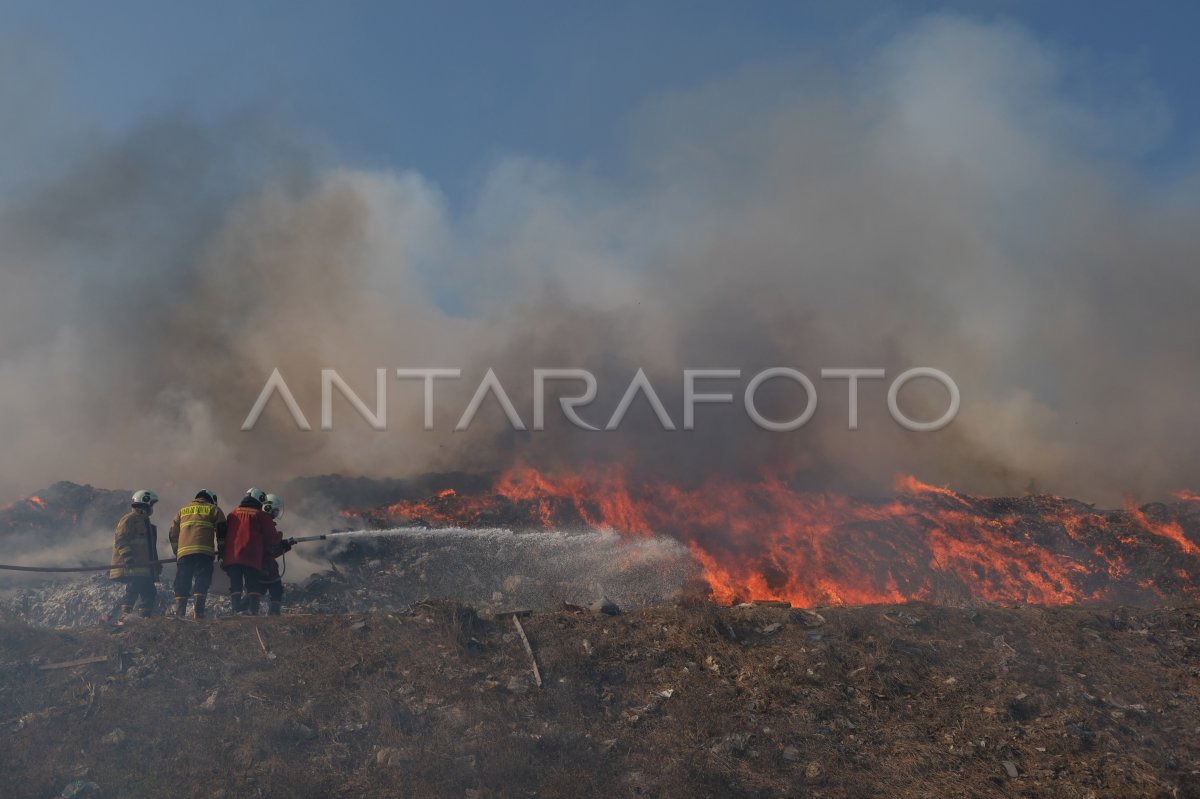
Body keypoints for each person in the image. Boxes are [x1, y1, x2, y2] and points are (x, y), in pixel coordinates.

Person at [168, 490, 227, 619]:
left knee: (182, 581)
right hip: (203, 552)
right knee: (202, 579)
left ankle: (180, 613)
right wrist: (222, 549)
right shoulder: (214, 509)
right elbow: (222, 530)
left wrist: (177, 551)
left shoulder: (182, 511)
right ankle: (199, 613)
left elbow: (172, 533)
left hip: (184, 553)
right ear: (211, 499)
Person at [219, 488, 277, 615]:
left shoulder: (232, 513)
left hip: (232, 557)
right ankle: (253, 611)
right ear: (260, 499)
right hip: (251, 557)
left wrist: (222, 554)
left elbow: (224, 535)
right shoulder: (261, 515)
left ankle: (235, 610)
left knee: (235, 584)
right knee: (253, 585)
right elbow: (271, 538)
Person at [109, 490, 161, 618]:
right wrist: (128, 558)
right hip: (133, 565)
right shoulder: (129, 519)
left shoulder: (146, 523)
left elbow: (149, 548)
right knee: (133, 588)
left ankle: (144, 618)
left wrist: (156, 564)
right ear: (145, 503)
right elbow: (121, 539)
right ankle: (125, 617)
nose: (151, 508)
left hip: (145, 567)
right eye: (151, 505)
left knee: (149, 592)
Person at [260, 493, 293, 616]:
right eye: (275, 510)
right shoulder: (266, 523)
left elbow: (271, 550)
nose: (277, 513)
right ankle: (272, 614)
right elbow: (270, 549)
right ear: (267, 508)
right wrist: (282, 543)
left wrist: (286, 545)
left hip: (264, 563)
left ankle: (249, 610)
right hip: (265, 564)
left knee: (266, 589)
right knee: (274, 588)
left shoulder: (262, 521)